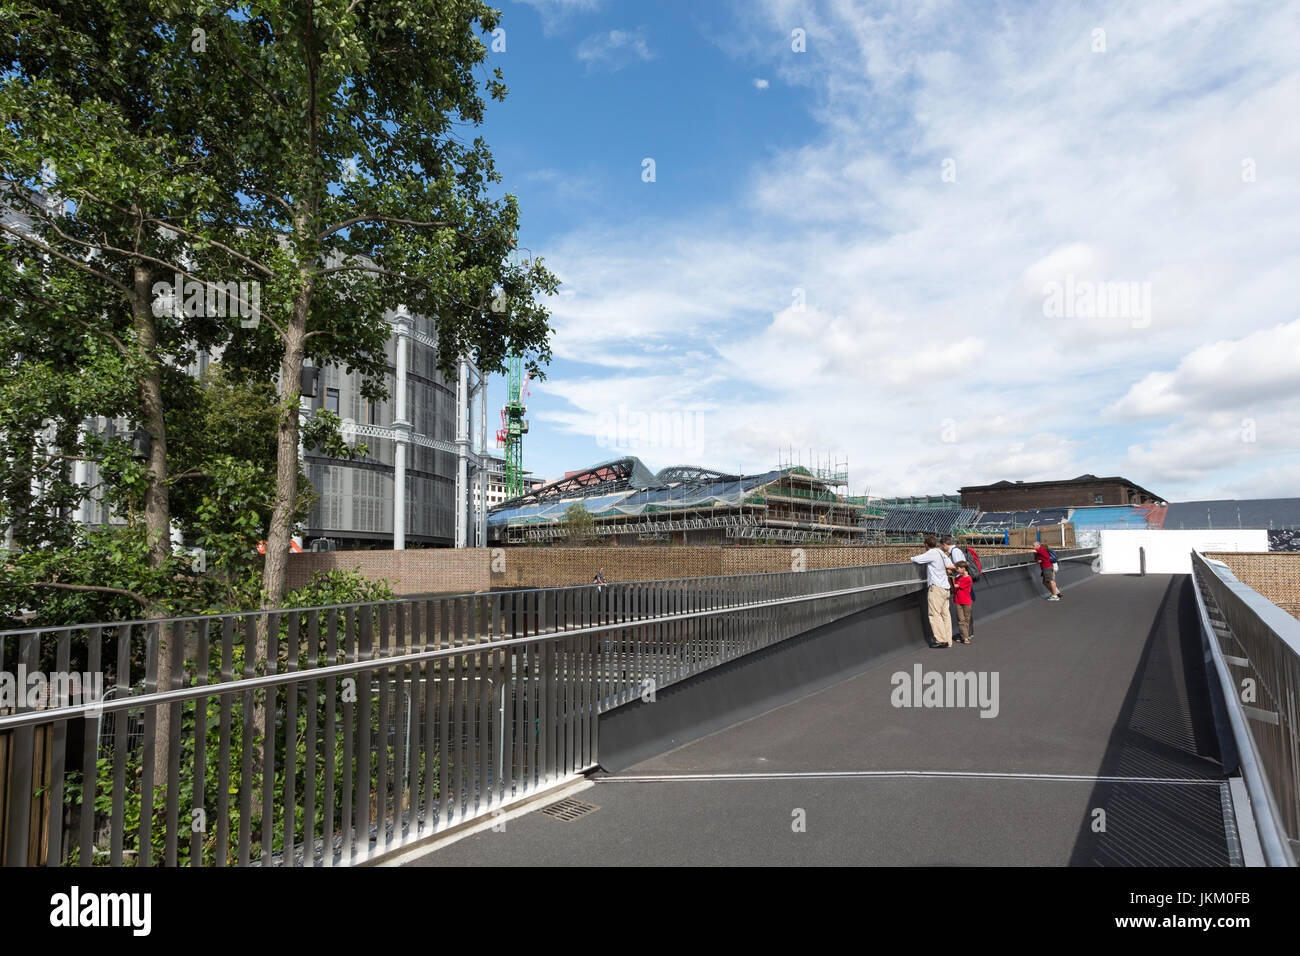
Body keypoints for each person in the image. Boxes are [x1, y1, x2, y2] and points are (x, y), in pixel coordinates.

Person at [912, 534, 955, 648]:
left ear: (926, 545)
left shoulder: (930, 553)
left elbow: (917, 559)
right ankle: (948, 639)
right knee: (945, 614)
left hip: (936, 587)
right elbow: (950, 565)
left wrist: (911, 558)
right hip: (945, 587)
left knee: (934, 614)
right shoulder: (941, 553)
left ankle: (941, 640)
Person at [952, 560, 974, 643]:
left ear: (963, 569)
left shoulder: (968, 579)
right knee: (961, 620)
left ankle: (965, 636)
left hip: (966, 602)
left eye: (958, 568)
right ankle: (965, 637)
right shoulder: (958, 577)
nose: (956, 570)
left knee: (966, 619)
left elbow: (955, 585)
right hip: (958, 601)